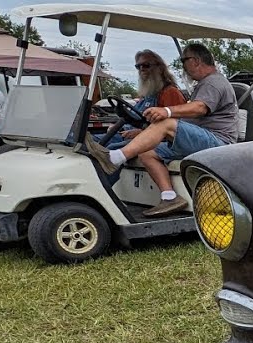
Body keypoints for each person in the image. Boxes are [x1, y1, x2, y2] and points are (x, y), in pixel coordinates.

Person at [85, 42, 239, 217]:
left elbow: (200, 108)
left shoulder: (213, 82)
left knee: (166, 122)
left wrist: (166, 111)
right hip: (202, 140)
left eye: (184, 61)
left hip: (218, 142)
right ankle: (169, 197)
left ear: (195, 61)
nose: (183, 67)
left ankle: (115, 158)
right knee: (147, 152)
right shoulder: (204, 84)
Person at [100, 49, 186, 150]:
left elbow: (175, 127)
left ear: (160, 68)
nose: (142, 69)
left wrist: (141, 132)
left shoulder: (170, 93)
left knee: (109, 150)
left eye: (146, 65)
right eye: (138, 66)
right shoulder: (147, 95)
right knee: (89, 141)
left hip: (151, 140)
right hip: (128, 135)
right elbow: (134, 117)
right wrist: (116, 127)